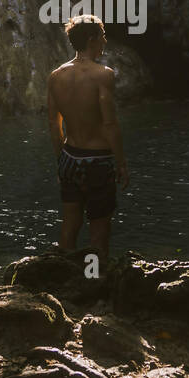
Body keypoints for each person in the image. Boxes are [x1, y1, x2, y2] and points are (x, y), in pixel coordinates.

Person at [46, 14, 128, 267]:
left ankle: (64, 277)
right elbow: (109, 124)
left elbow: (54, 125)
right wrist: (121, 163)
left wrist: (61, 161)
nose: (105, 41)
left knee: (70, 224)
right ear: (92, 40)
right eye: (102, 36)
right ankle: (96, 280)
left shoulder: (56, 76)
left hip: (70, 158)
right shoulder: (103, 75)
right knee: (99, 229)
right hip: (98, 160)